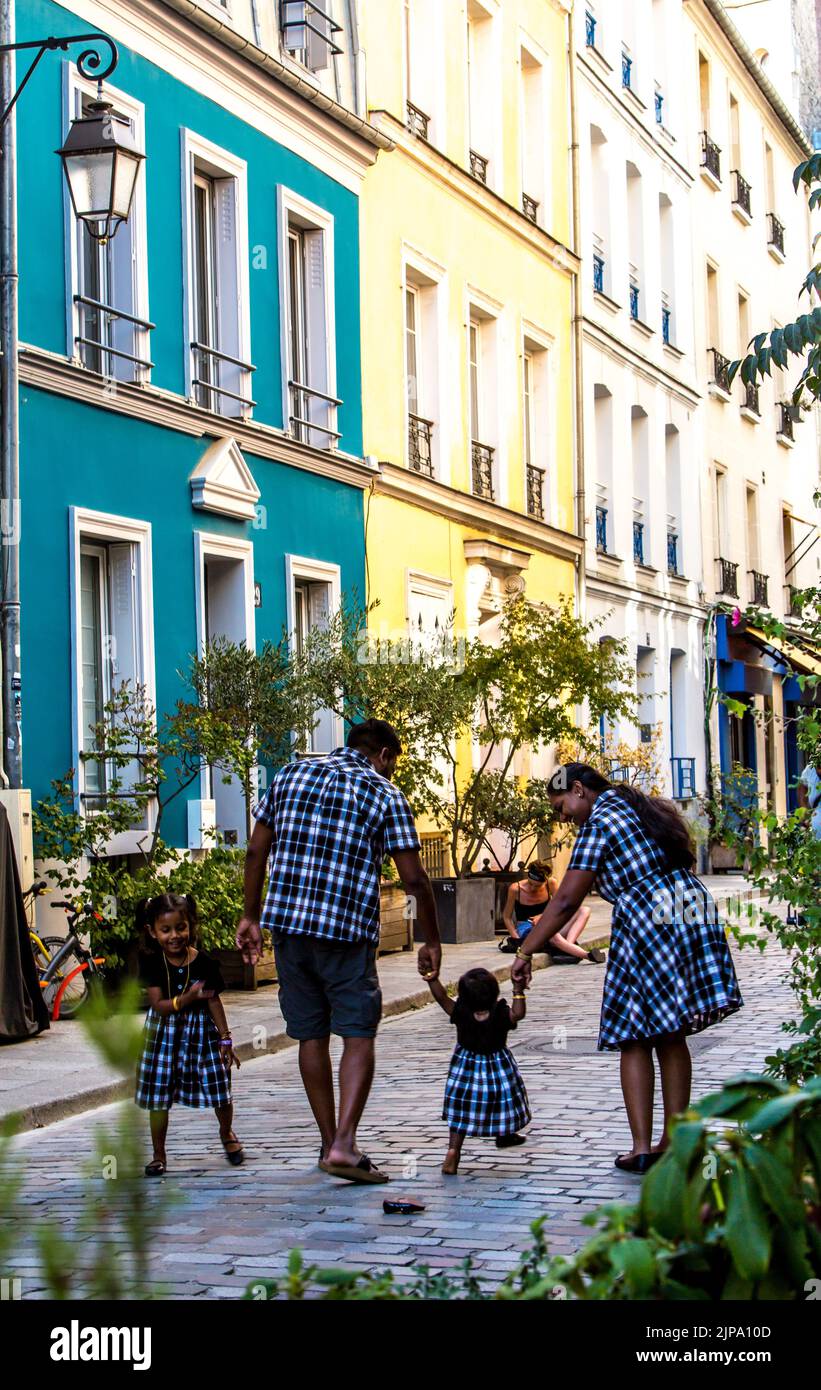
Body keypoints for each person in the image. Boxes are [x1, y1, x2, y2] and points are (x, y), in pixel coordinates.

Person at [511, 764, 743, 1175]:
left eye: (561, 805)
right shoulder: (639, 807)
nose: (561, 816)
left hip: (649, 919)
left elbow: (564, 900)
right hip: (688, 906)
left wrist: (526, 951)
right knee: (671, 1032)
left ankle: (641, 1147)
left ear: (579, 790)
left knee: (634, 1036)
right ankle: (672, 1143)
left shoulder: (599, 824)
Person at [238, 718, 441, 1185]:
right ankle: (345, 1145)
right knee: (356, 1031)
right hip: (344, 932)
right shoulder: (385, 794)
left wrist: (249, 915)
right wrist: (430, 939)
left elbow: (256, 851)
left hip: (288, 929)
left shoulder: (289, 775)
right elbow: (414, 879)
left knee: (311, 1035)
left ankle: (329, 1142)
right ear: (385, 755)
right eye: (394, 764)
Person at [136, 893, 242, 1177]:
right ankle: (159, 1153)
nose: (175, 936)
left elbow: (213, 1001)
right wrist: (187, 997)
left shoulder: (204, 962)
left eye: (181, 928)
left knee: (219, 1082)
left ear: (191, 926)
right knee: (159, 1093)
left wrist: (225, 1038)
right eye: (166, 930)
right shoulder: (152, 964)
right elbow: (159, 1005)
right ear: (153, 932)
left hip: (201, 1031)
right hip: (163, 1033)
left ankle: (227, 1131)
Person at [422, 965, 531, 1174]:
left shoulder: (461, 1010)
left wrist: (431, 979)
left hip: (465, 1068)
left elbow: (443, 999)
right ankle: (505, 1133)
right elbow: (518, 1014)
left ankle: (453, 1150)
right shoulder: (500, 1012)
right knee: (502, 1104)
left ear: (463, 996)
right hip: (497, 1068)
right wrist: (518, 991)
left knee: (460, 1111)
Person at [500, 860, 603, 963]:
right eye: (531, 883)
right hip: (527, 928)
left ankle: (568, 947)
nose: (533, 888)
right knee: (551, 932)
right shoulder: (515, 888)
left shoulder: (551, 883)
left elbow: (562, 907)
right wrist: (516, 938)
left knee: (584, 910)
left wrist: (542, 916)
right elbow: (507, 917)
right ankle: (587, 955)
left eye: (537, 886)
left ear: (545, 881)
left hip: (549, 922)